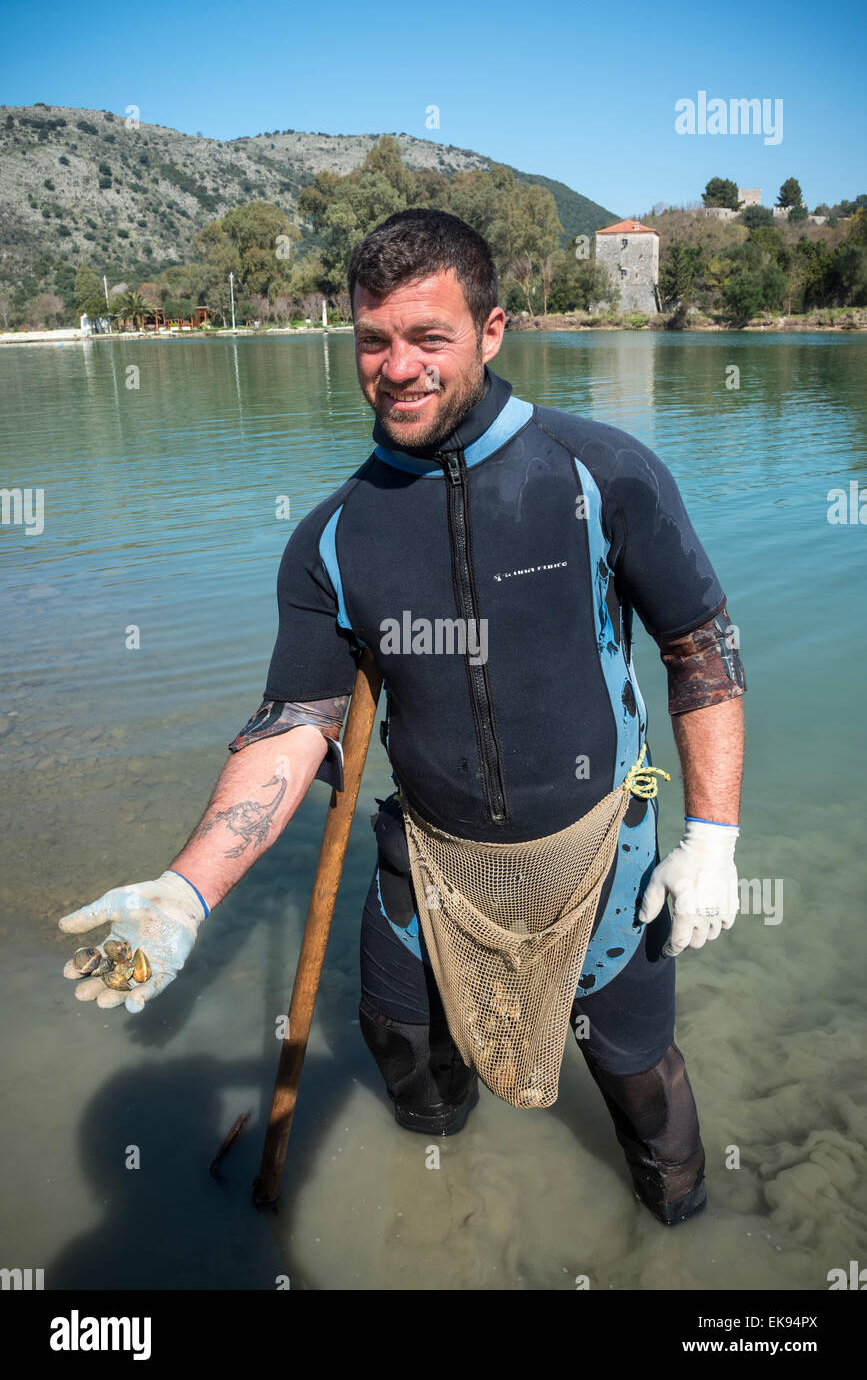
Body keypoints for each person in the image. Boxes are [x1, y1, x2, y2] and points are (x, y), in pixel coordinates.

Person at [60, 208, 746, 1228]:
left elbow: (701, 650)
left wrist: (716, 838)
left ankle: (684, 1236)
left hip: (602, 856)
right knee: (403, 1057)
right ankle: (442, 1220)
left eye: (429, 338)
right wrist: (183, 893)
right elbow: (296, 725)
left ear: (493, 330)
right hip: (425, 866)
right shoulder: (332, 537)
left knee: (642, 1085)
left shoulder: (601, 474)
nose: (398, 367)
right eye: (373, 340)